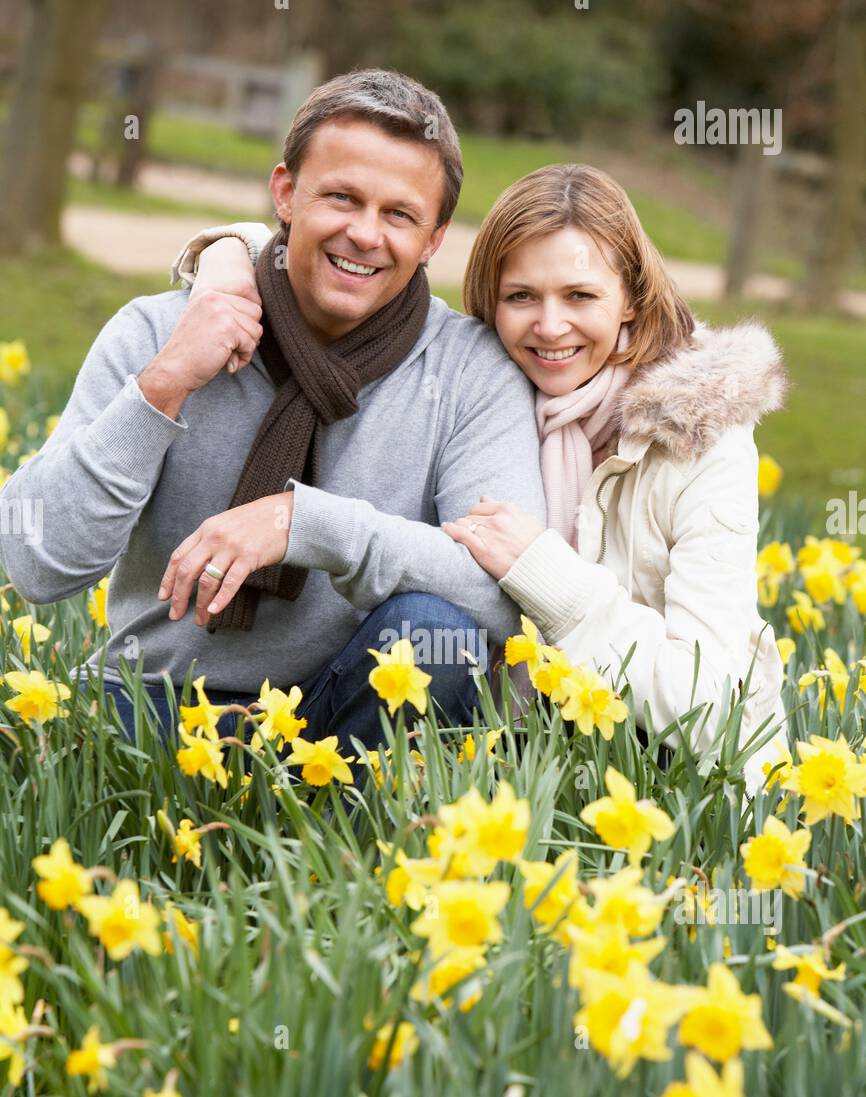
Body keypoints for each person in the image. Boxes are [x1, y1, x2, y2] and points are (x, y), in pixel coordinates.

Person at [177, 164, 787, 793]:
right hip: (509, 762)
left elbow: (716, 711)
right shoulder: (485, 391)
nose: (550, 327)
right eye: (522, 297)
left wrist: (553, 581)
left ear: (631, 297)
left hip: (665, 787)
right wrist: (228, 253)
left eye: (580, 296)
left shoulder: (700, 439)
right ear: (490, 302)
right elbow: (337, 270)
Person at [0, 69, 545, 754]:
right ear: (286, 193)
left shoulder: (471, 370)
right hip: (156, 703)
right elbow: (38, 564)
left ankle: (339, 851)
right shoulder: (159, 331)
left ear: (434, 237)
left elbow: (505, 592)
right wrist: (164, 385)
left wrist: (305, 524)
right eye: (341, 198)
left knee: (434, 633)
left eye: (399, 214)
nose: (365, 234)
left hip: (343, 724)